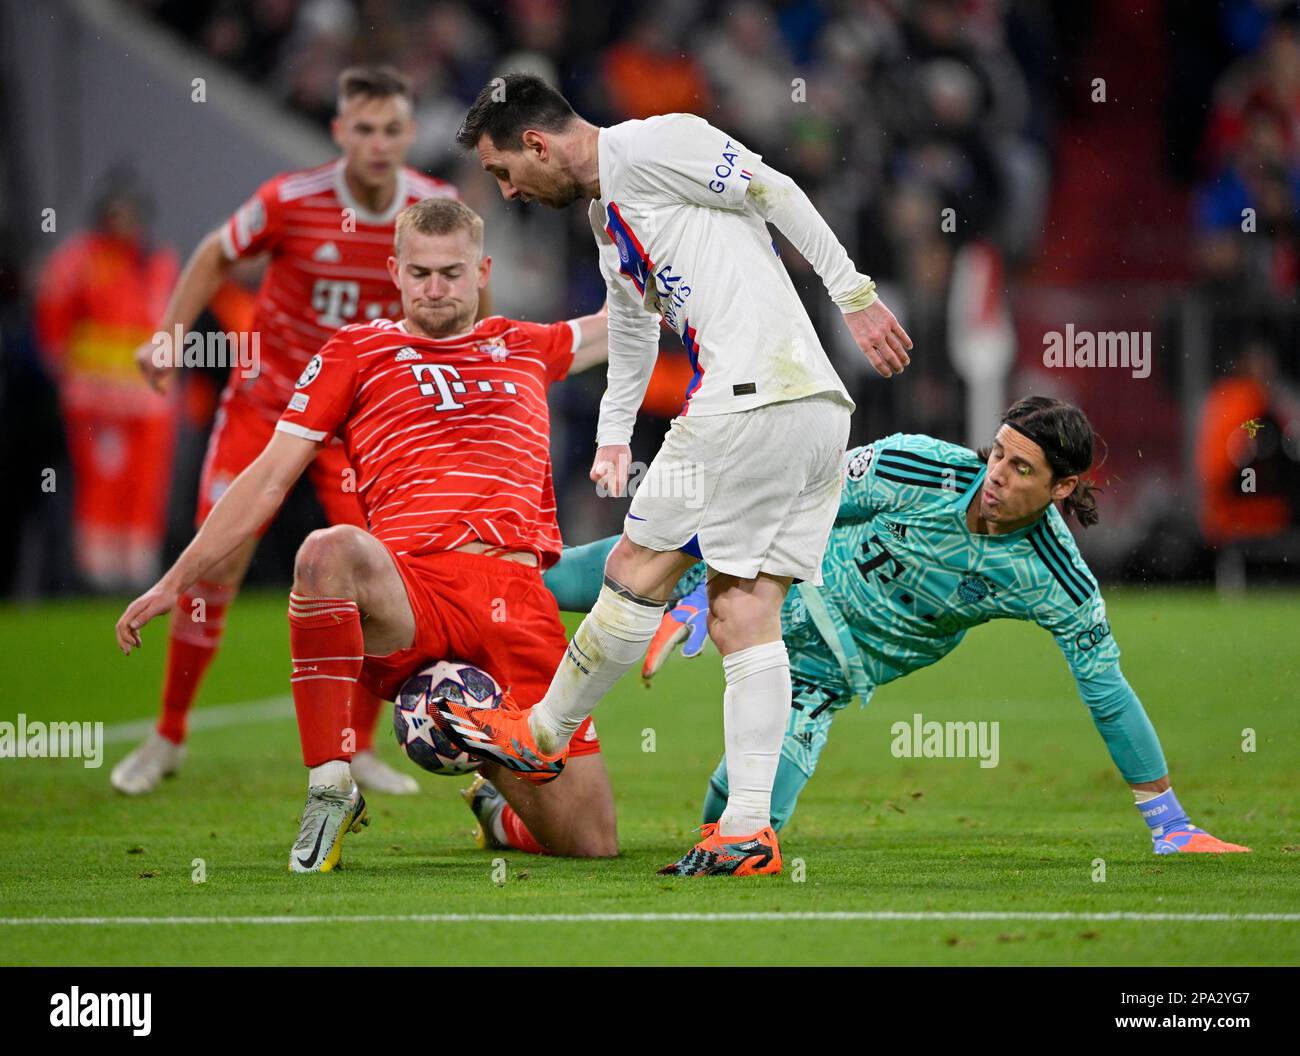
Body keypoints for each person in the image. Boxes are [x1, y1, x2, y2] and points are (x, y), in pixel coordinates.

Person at [445, 72, 913, 876]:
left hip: (749, 400)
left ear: (535, 142)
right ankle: (747, 829)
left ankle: (542, 735)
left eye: (501, 172)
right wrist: (616, 435)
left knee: (634, 570)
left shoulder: (659, 141)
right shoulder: (608, 215)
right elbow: (631, 326)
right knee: (744, 613)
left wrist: (855, 294)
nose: (507, 192)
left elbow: (777, 187)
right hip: (811, 416)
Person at [115, 198, 616, 872]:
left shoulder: (526, 342)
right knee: (328, 550)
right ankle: (331, 784)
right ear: (395, 272)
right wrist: (176, 579)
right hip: (412, 592)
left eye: (451, 272)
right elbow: (267, 478)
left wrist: (628, 244)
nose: (435, 288)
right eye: (420, 274)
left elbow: (632, 325)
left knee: (591, 844)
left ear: (482, 271)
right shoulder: (356, 350)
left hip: (520, 602)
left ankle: (497, 798)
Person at [535, 397, 1249, 856]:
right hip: (759, 582)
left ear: (1061, 490)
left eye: (1020, 467)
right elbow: (798, 503)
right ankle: (466, 589)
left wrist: (1170, 823)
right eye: (998, 452)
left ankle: (517, 811)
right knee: (587, 573)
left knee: (742, 819)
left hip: (817, 680)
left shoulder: (1055, 579)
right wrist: (707, 580)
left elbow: (1107, 692)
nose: (995, 473)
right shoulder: (919, 465)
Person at [113, 65, 475, 797]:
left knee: (383, 576)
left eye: (391, 129)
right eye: (363, 128)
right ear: (339, 132)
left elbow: (467, 300)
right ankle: (168, 736)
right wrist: (170, 336)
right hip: (269, 406)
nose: (377, 143)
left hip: (363, 422)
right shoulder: (290, 200)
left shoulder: (433, 212)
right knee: (216, 566)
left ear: (410, 134)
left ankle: (364, 747)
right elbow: (216, 252)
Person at [34, 166, 178, 592]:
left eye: (132, 212)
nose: (125, 221)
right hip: (95, 399)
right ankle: (95, 575)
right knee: (102, 484)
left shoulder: (158, 262)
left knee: (146, 485)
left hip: (148, 401)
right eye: (117, 211)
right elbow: (53, 329)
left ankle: (139, 571)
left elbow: (170, 327)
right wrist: (68, 380)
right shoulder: (77, 261)